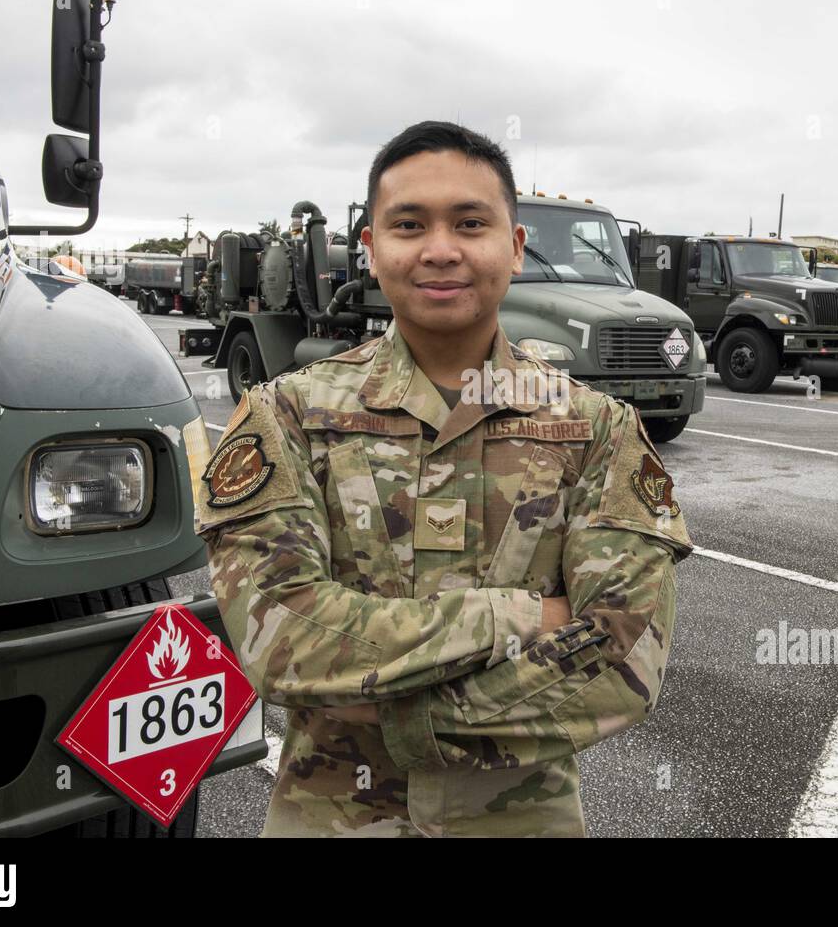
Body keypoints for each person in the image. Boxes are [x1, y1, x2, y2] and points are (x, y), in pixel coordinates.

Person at [195, 120, 692, 837]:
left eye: (470, 222)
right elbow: (281, 643)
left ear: (514, 248)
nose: (440, 249)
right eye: (408, 224)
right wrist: (521, 616)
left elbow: (625, 661)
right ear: (369, 251)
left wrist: (403, 712)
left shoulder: (596, 429)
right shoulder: (289, 416)